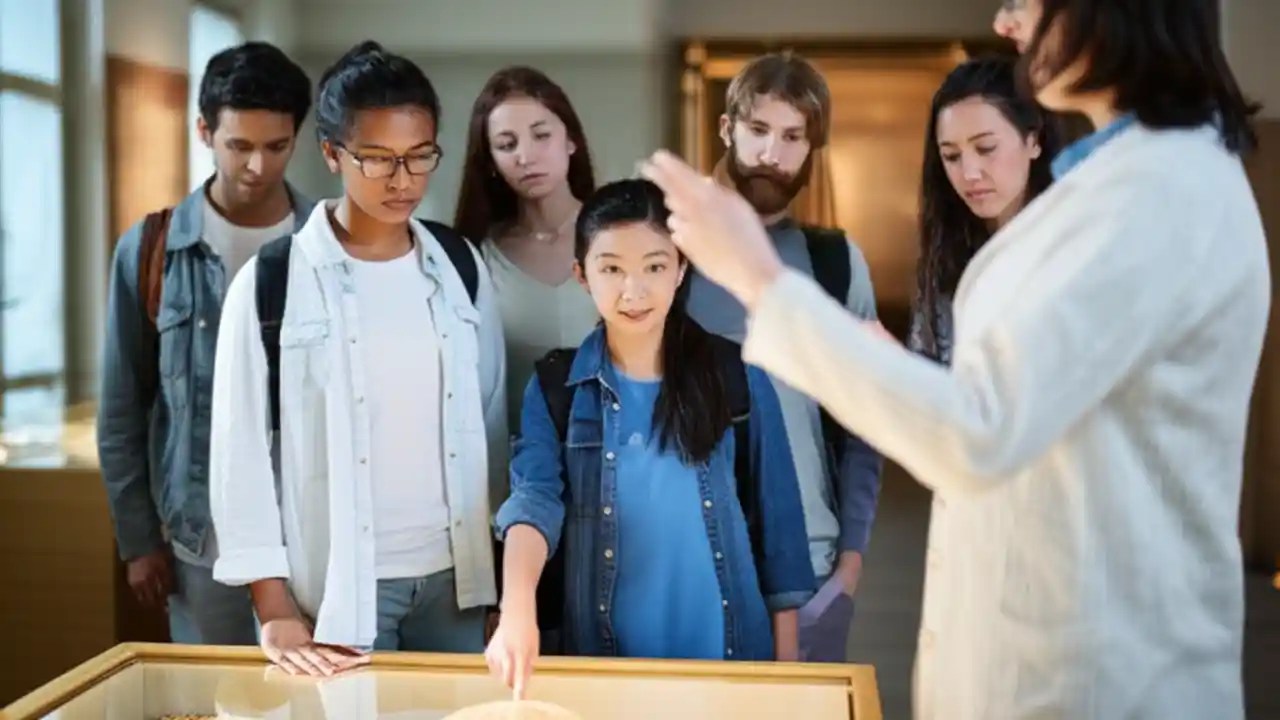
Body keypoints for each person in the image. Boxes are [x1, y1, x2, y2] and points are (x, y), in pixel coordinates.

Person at [639, 0, 1268, 717]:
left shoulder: (1154, 195)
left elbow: (978, 430)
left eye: (1023, 2)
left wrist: (762, 281)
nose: (1007, 26)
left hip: (1101, 675)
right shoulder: (1124, 186)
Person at [209, 41, 507, 676]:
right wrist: (273, 605)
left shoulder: (458, 266)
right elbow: (239, 456)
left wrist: (496, 578)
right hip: (338, 586)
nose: (403, 181)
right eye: (377, 159)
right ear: (331, 153)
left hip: (454, 580)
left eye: (420, 156)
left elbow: (489, 420)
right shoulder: (272, 281)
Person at [486, 179, 814, 696]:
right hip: (605, 665)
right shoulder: (556, 388)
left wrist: (788, 674)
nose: (633, 291)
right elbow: (533, 503)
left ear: (681, 271)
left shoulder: (737, 375)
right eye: (611, 268)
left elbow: (780, 531)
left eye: (655, 267)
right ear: (581, 275)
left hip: (727, 658)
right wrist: (516, 607)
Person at [97, 41, 313, 646]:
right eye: (238, 146)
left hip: (309, 529)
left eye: (276, 147)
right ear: (204, 131)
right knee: (213, 698)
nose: (257, 167)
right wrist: (138, 541)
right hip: (200, 533)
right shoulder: (151, 250)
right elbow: (122, 409)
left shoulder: (326, 244)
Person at [685, 52, 882, 663]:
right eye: (759, 130)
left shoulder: (835, 261)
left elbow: (863, 426)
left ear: (811, 148)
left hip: (816, 564)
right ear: (727, 130)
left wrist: (849, 565)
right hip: (693, 551)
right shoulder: (673, 249)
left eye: (793, 137)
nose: (773, 152)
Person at [454, 66, 600, 430]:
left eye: (541, 135)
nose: (526, 156)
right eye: (507, 145)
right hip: (514, 467)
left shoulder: (620, 238)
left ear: (571, 140)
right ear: (490, 161)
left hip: (619, 463)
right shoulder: (474, 258)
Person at [909, 56, 1060, 364]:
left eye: (986, 148)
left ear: (1033, 141)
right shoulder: (945, 258)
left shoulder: (1072, 245)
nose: (969, 173)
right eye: (951, 156)